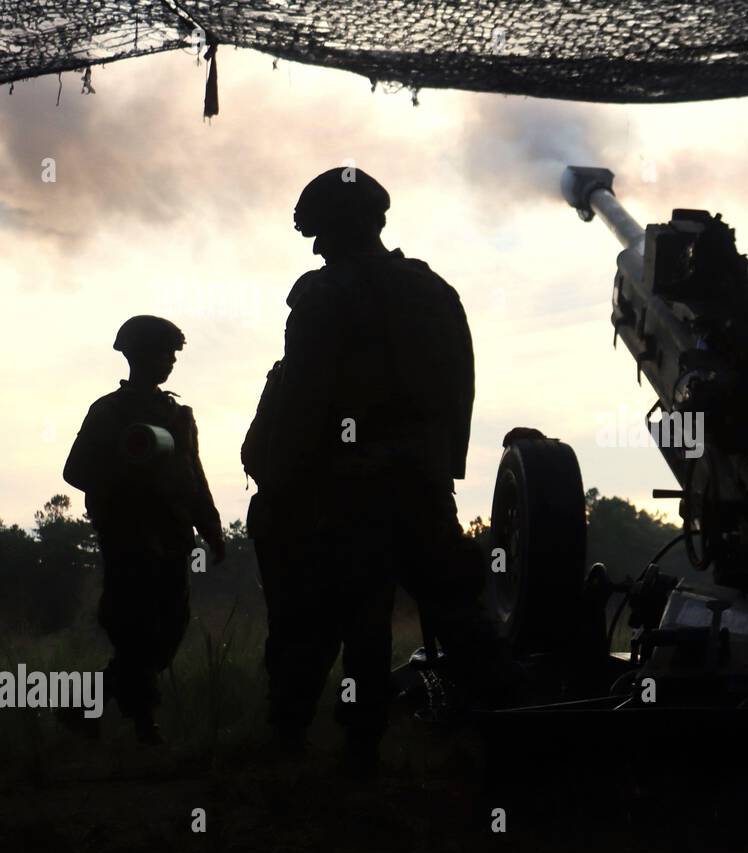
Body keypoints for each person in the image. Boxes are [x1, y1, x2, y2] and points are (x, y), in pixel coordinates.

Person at [245, 166, 505, 774]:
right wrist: (443, 466)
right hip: (421, 482)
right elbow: (458, 386)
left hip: (342, 488)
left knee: (322, 620)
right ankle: (510, 730)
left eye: (318, 233)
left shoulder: (322, 296)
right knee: (459, 614)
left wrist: (279, 476)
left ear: (335, 228)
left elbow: (304, 398)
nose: (314, 247)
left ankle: (298, 742)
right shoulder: (432, 289)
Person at [64, 315, 225, 743]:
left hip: (172, 538)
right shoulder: (109, 412)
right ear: (136, 355)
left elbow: (193, 474)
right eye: (162, 352)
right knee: (134, 632)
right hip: (128, 539)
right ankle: (144, 725)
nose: (170, 361)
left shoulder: (177, 414)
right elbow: (76, 470)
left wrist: (210, 527)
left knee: (169, 631)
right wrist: (130, 473)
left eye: (173, 354)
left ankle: (84, 705)